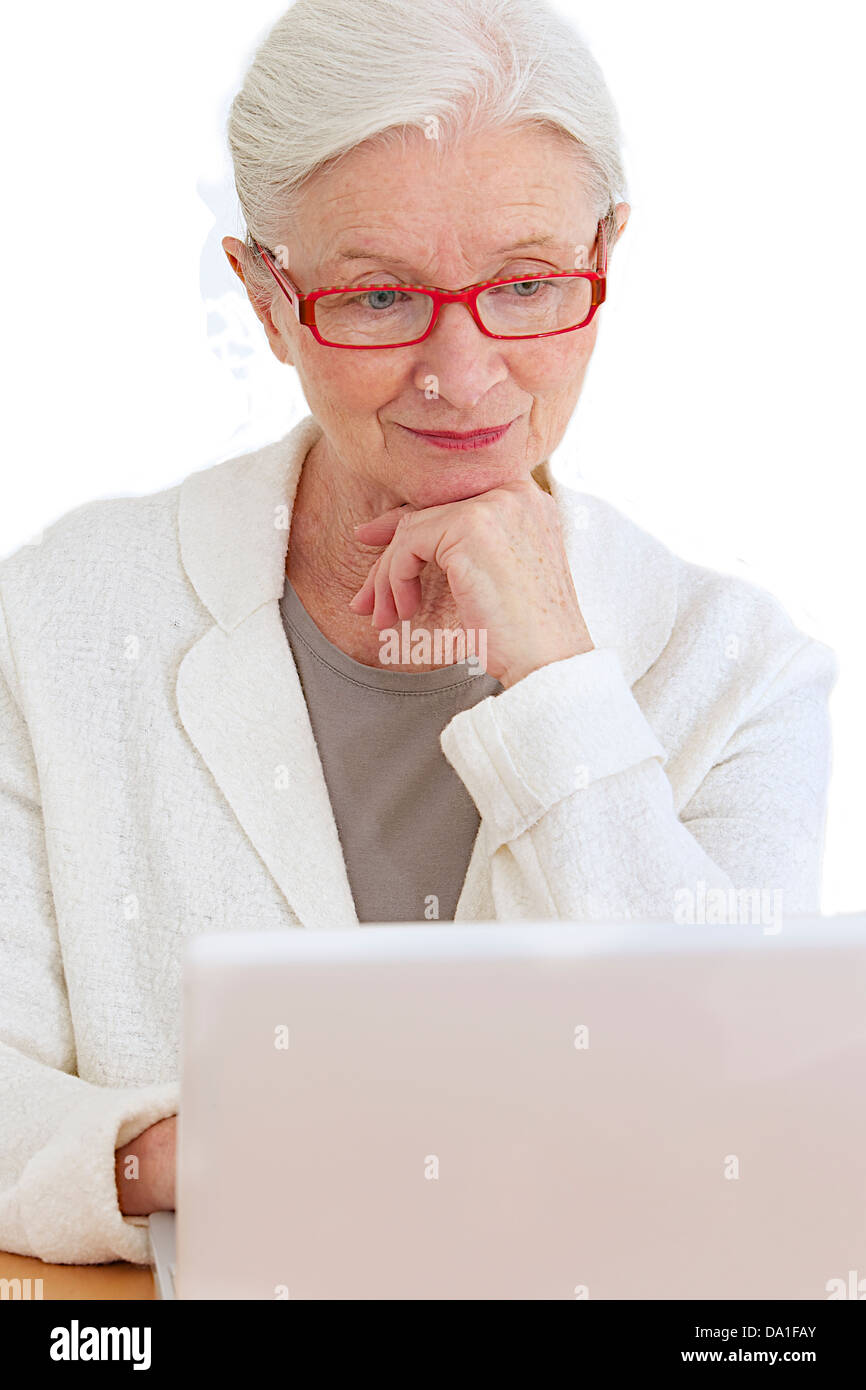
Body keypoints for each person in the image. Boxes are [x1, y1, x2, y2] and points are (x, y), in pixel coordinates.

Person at [0, 0, 836, 1265]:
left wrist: (557, 675)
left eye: (525, 284)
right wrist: (188, 1153)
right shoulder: (59, 616)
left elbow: (738, 1126)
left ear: (604, 259)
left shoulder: (741, 668)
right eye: (380, 296)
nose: (462, 370)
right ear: (266, 298)